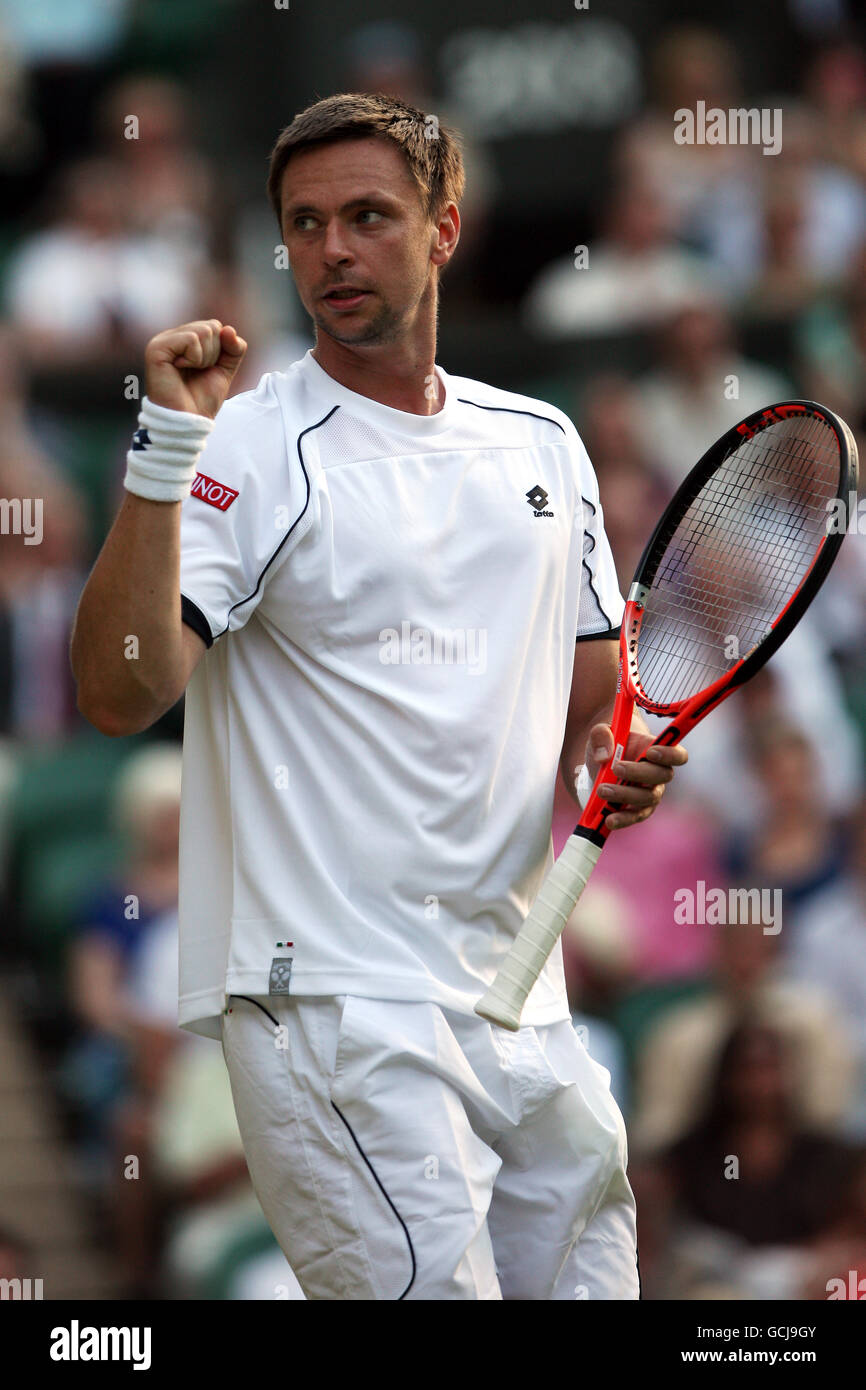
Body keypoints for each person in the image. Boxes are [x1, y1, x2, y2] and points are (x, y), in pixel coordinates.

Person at [70, 92, 685, 1301]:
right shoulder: (246, 442)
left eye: (367, 217)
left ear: (445, 228)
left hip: (519, 998)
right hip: (331, 1004)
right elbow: (116, 690)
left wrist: (598, 770)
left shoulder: (544, 443)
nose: (332, 250)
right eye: (304, 225)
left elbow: (588, 709)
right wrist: (160, 457)